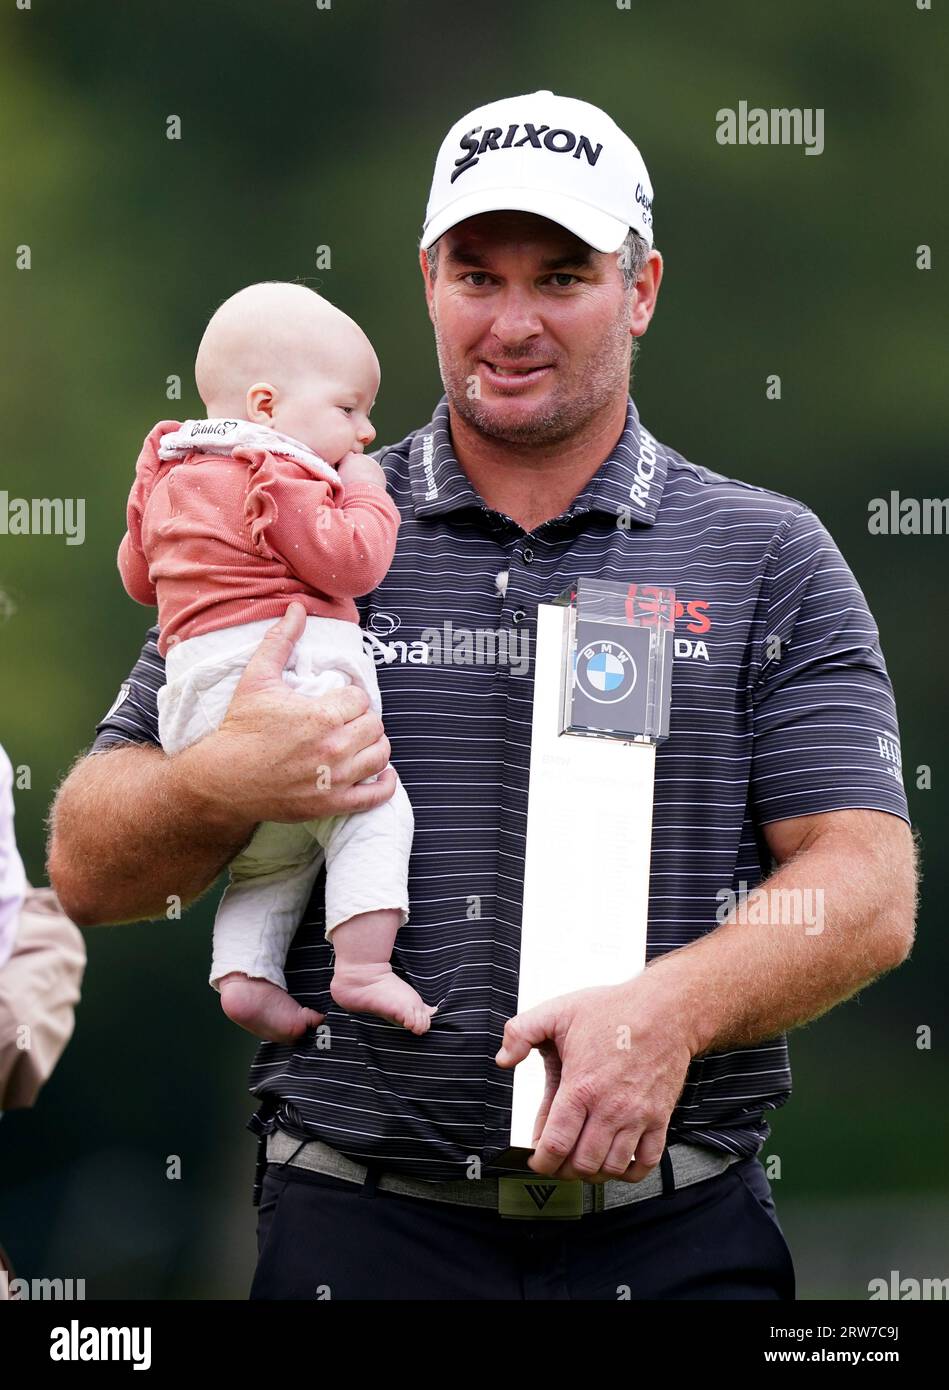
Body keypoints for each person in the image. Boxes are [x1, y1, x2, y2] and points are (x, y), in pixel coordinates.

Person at [47, 89, 917, 1301]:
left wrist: (670, 1011)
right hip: (360, 1230)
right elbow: (88, 866)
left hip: (677, 1232)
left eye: (560, 278)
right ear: (428, 284)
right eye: (476, 277)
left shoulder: (764, 552)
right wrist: (215, 782)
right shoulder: (286, 512)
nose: (511, 324)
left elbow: (866, 884)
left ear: (641, 289)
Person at [116, 283, 427, 1042]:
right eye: (348, 408)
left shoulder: (169, 466)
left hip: (192, 702)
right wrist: (366, 495)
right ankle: (363, 968)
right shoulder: (277, 467)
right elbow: (351, 562)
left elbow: (139, 578)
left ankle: (246, 978)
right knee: (372, 810)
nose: (366, 430)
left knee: (273, 852)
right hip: (285, 675)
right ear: (266, 406)